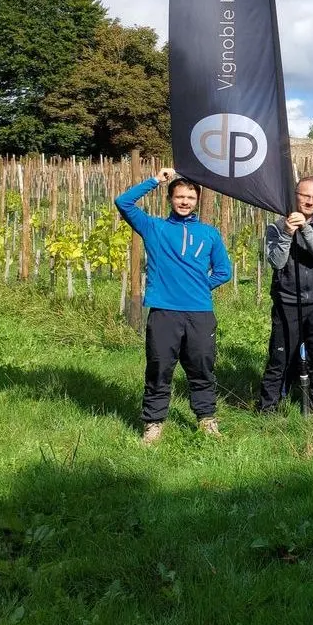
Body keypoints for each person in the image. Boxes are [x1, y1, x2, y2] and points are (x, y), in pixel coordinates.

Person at [117, 168, 232, 443]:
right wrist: (156, 179)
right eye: (179, 196)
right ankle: (153, 423)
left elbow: (223, 271)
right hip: (164, 312)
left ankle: (206, 419)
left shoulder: (209, 234)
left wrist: (199, 287)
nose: (184, 201)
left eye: (190, 197)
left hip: (200, 313)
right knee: (159, 368)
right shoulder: (154, 228)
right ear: (170, 198)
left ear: (198, 200)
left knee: (202, 368)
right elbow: (123, 202)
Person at [258, 178, 313, 414]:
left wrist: (305, 228)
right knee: (279, 357)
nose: (309, 201)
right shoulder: (275, 227)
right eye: (305, 195)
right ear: (295, 196)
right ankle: (268, 406)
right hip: (287, 301)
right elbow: (277, 261)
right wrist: (286, 233)